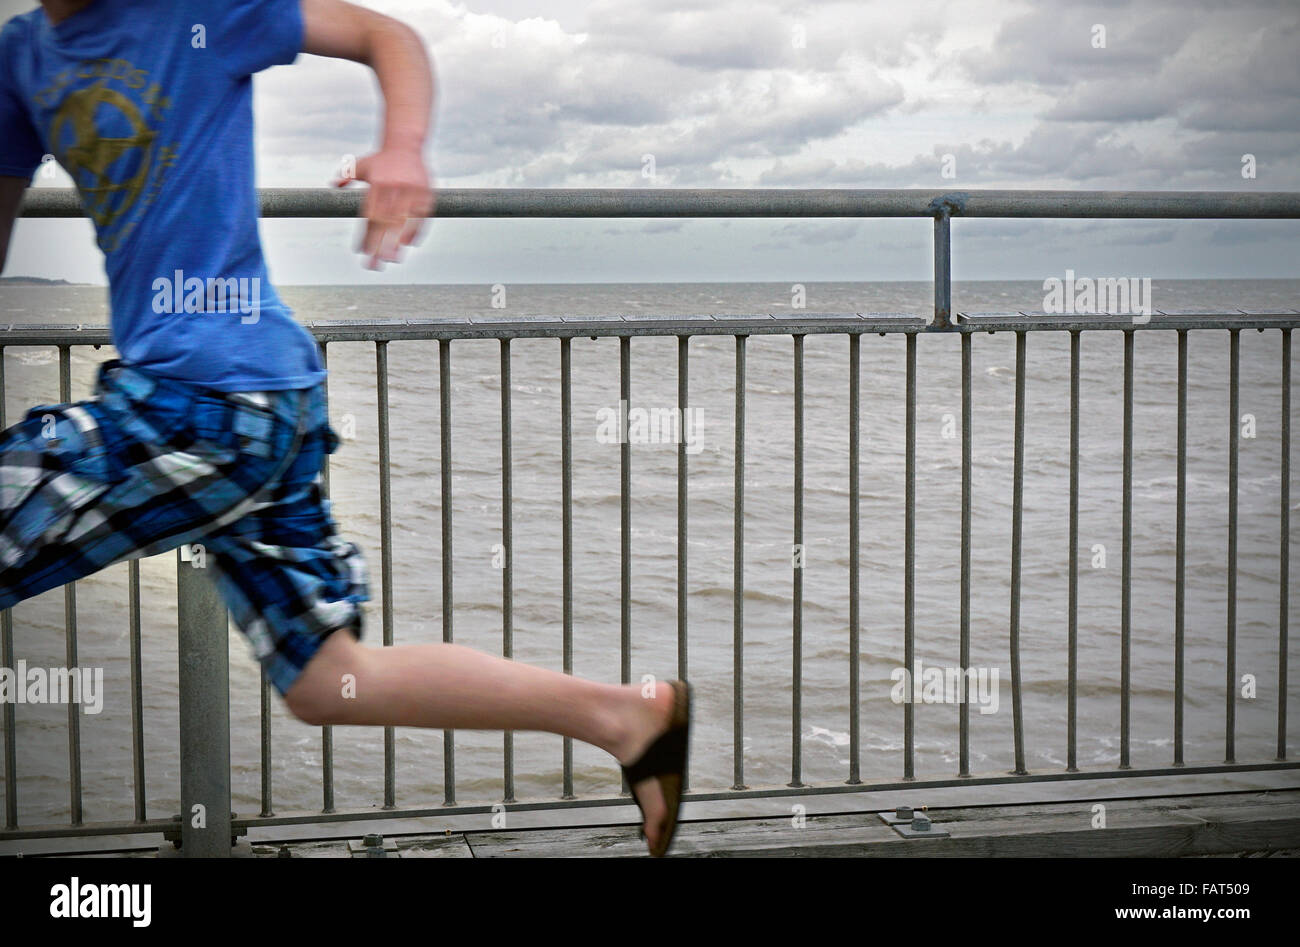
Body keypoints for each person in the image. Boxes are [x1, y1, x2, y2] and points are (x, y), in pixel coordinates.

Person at [0, 0, 691, 857]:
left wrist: (404, 147)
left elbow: (384, 35)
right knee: (330, 681)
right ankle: (626, 715)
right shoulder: (20, 59)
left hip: (207, 409)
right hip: (266, 402)